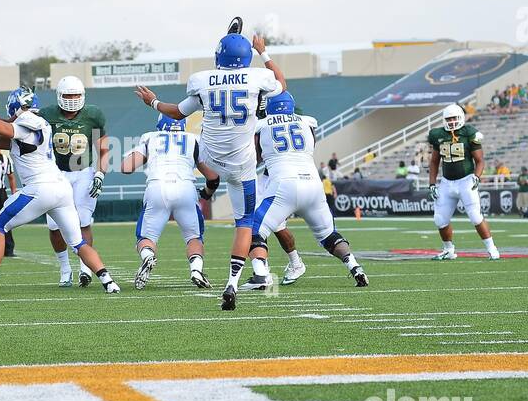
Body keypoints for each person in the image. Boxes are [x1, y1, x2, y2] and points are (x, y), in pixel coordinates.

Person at [135, 16, 286, 310]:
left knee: (198, 157)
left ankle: (206, 189)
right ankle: (232, 283)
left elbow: (177, 113)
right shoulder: (258, 78)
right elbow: (281, 82)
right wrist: (263, 53)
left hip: (209, 159)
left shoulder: (202, 80)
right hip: (242, 165)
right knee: (244, 223)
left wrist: (152, 102)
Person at [0, 87, 120, 296]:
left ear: (17, 106)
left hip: (40, 188)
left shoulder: (27, 120)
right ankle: (108, 282)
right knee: (77, 241)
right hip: (60, 188)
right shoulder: (40, 122)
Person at [249, 91, 368, 286]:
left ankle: (261, 275)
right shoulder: (307, 122)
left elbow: (256, 157)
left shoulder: (260, 125)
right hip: (313, 185)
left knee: (253, 230)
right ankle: (354, 266)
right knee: (329, 235)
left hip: (284, 186)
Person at [120, 115, 219, 289]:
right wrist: (206, 193)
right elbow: (213, 177)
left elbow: (126, 168)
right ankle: (196, 270)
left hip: (157, 186)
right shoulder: (193, 140)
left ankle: (148, 256)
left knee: (146, 237)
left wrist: (146, 155)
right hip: (186, 188)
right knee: (194, 237)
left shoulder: (150, 137)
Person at [40, 76, 109, 288]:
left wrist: (99, 174)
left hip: (83, 172)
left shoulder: (93, 115)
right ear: (59, 96)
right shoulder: (47, 115)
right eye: (68, 95)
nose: (72, 99)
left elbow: (103, 149)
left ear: (83, 96)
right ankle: (65, 268)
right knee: (54, 225)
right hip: (56, 173)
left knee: (83, 220)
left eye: (76, 95)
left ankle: (85, 267)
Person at [426, 103, 500, 260]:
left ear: (460, 118)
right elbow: (434, 162)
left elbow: (480, 160)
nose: (452, 121)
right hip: (447, 182)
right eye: (448, 119)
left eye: (454, 118)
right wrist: (432, 183)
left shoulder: (469, 133)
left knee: (475, 216)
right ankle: (449, 250)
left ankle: (492, 248)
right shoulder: (438, 135)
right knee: (440, 219)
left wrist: (476, 176)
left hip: (466, 180)